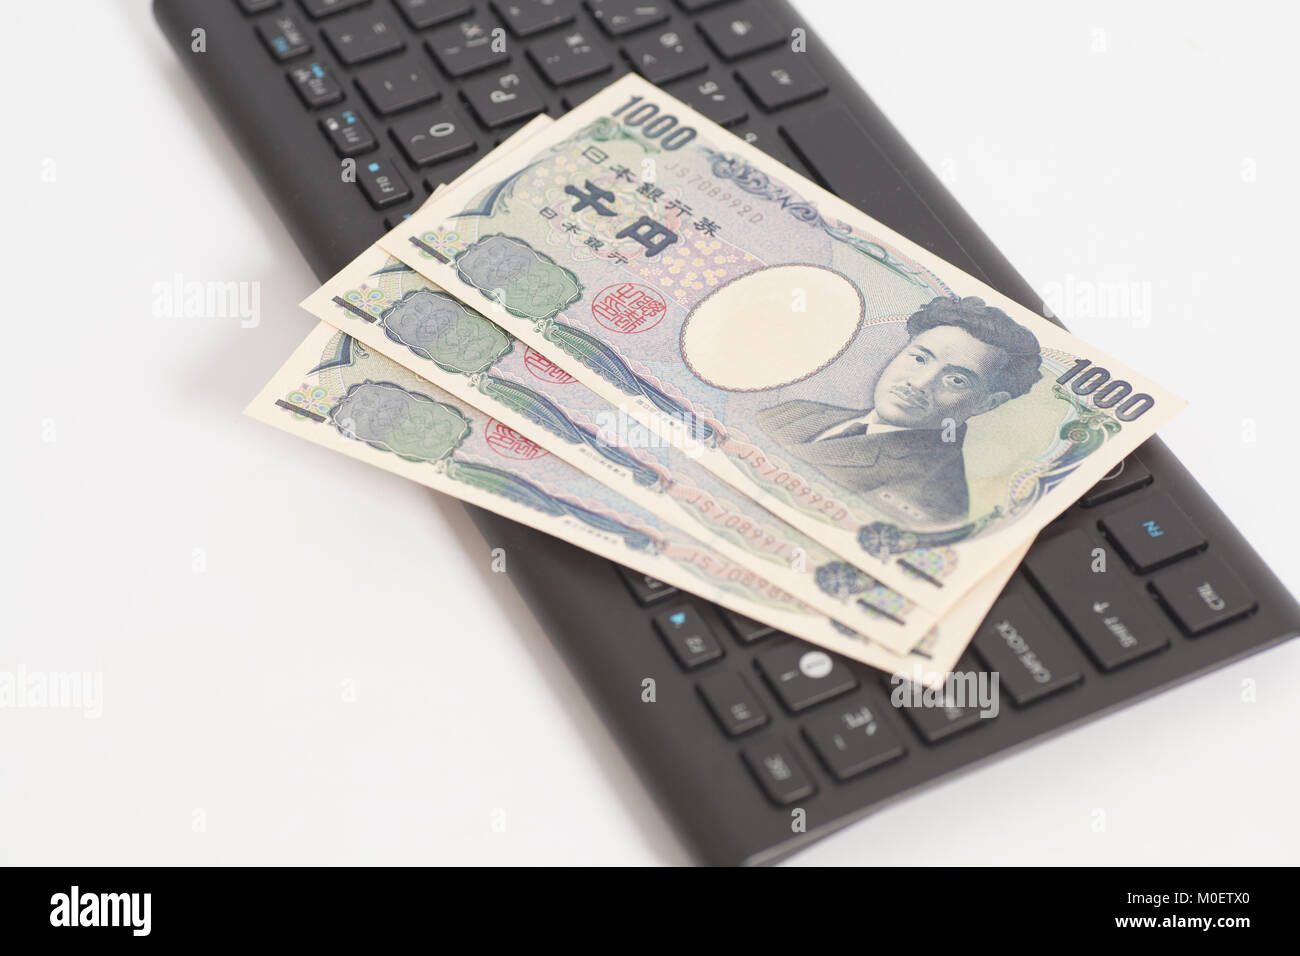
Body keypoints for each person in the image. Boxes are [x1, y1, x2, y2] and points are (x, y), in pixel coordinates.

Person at [758, 296, 1042, 526]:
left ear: (987, 403)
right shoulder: (796, 412)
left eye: (956, 380)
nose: (918, 384)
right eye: (919, 358)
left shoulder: (931, 502)